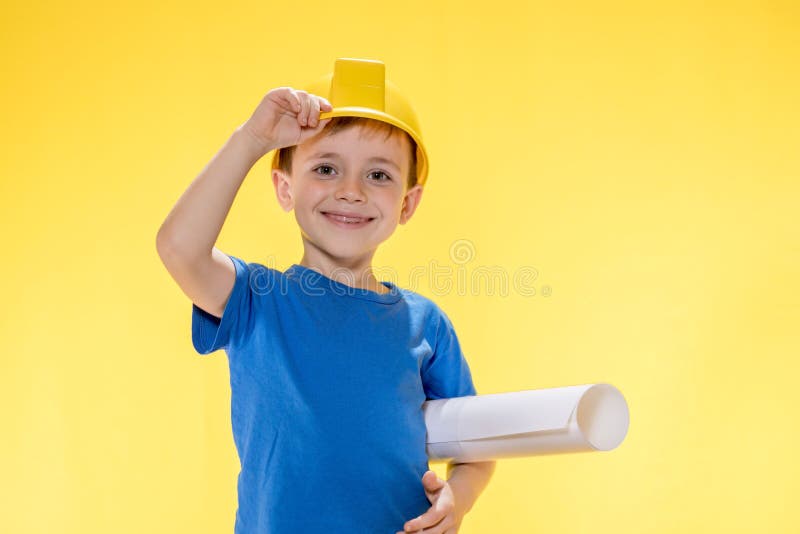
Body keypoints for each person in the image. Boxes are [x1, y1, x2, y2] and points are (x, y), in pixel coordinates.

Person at [156, 57, 495, 533]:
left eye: (379, 175)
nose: (351, 191)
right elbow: (179, 247)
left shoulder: (426, 325)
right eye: (326, 168)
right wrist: (251, 139)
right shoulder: (256, 301)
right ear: (285, 188)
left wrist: (456, 500)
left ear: (407, 203)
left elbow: (478, 447)